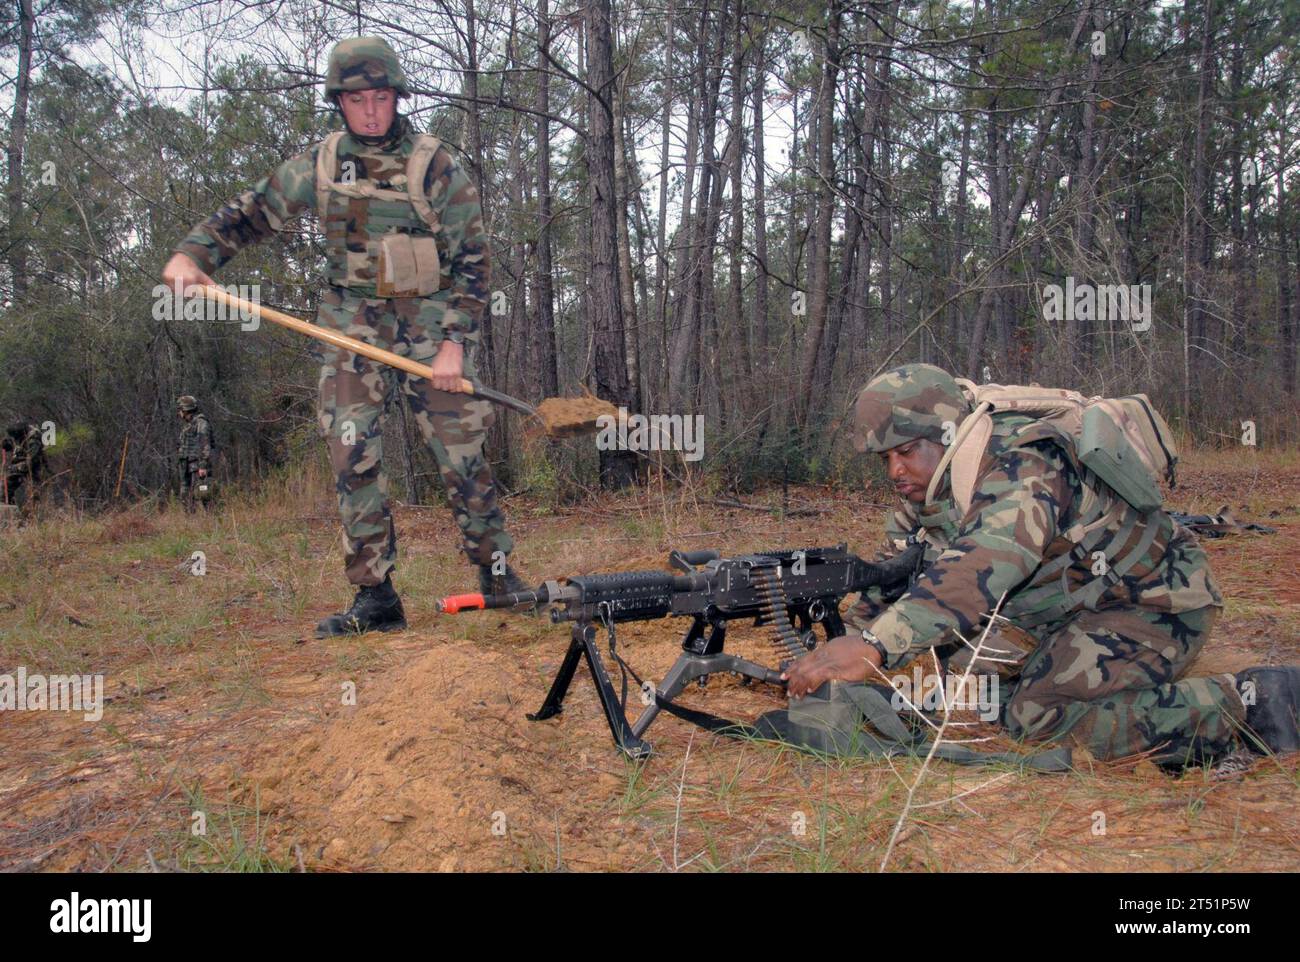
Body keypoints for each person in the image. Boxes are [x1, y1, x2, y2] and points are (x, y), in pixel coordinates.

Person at [161, 36, 525, 638]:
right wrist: (192, 253)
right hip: (350, 330)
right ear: (340, 101)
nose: (373, 110)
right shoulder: (322, 164)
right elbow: (252, 212)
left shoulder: (435, 163)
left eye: (382, 96)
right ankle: (376, 598)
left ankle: (500, 575)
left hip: (432, 329)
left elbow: (474, 259)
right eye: (359, 99)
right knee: (351, 455)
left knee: (462, 454)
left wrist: (455, 342)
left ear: (397, 96)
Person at [782, 363, 1299, 767]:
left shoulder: (1022, 464)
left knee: (1035, 716)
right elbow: (900, 578)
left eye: (907, 451)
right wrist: (834, 648)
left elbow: (982, 564)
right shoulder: (933, 490)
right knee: (976, 692)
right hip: (1076, 607)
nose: (895, 471)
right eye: (885, 459)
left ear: (945, 433)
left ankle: (1250, 704)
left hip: (1153, 602)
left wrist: (875, 646)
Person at [176, 396, 214, 512]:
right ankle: (191, 523)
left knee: (203, 494)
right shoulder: (189, 425)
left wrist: (203, 465)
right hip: (187, 466)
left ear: (185, 410)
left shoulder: (201, 423)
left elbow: (205, 444)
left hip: (197, 466)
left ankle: (213, 520)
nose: (179, 413)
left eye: (180, 410)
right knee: (186, 496)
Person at [1, 422, 46, 508]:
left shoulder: (34, 439)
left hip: (36, 467)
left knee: (35, 491)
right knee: (7, 483)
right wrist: (8, 444)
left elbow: (32, 460)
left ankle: (37, 512)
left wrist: (17, 467)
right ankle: (7, 501)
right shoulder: (21, 434)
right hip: (24, 463)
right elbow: (17, 446)